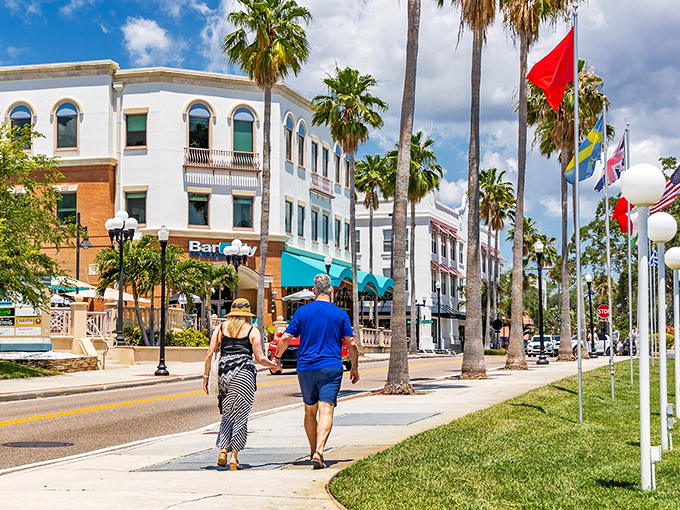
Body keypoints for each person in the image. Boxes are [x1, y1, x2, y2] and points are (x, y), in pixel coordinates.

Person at [273, 274, 360, 469]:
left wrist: (277, 358)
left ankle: (313, 451)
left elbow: (286, 337)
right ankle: (320, 451)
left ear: (313, 291)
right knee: (326, 408)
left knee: (309, 410)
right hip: (331, 367)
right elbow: (352, 343)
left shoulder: (303, 312)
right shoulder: (340, 314)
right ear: (331, 291)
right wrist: (354, 367)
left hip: (306, 368)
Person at [203, 298, 279, 470]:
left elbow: (209, 354)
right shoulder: (252, 331)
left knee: (227, 414)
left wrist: (206, 377)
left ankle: (223, 450)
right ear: (247, 315)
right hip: (244, 374)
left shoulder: (221, 329)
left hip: (224, 374)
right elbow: (260, 358)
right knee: (241, 416)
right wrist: (273, 365)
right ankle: (234, 458)